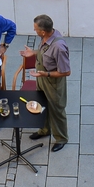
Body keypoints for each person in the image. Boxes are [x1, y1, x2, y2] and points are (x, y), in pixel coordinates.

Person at [30, 15, 71, 151]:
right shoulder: (46, 37)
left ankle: (61, 138)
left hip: (52, 83)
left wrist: (45, 74)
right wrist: (33, 53)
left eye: (36, 29)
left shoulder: (59, 47)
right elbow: (45, 53)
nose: (34, 30)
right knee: (42, 104)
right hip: (41, 77)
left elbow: (66, 72)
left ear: (43, 32)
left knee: (56, 110)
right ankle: (45, 130)